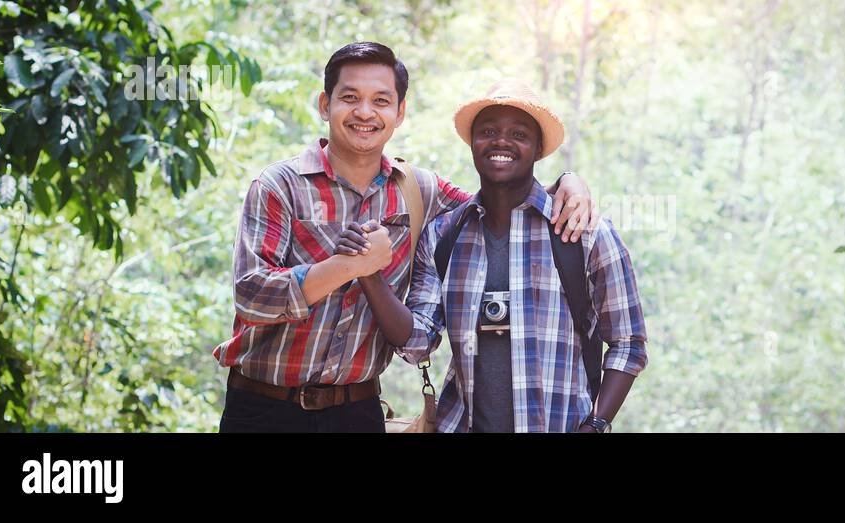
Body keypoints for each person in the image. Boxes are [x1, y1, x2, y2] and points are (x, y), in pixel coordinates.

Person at [212, 43, 599, 433]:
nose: (365, 112)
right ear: (325, 104)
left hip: (357, 409)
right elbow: (251, 295)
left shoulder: (419, 189)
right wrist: (347, 266)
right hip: (262, 407)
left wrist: (568, 182)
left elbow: (498, 203)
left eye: (381, 100)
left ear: (399, 113)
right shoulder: (280, 185)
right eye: (350, 98)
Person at [364, 80, 648, 433]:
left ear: (538, 148)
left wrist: (597, 424)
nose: (501, 141)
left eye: (518, 133)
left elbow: (628, 344)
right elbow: (417, 343)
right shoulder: (443, 235)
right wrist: (368, 274)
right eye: (488, 131)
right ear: (473, 142)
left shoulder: (584, 234)